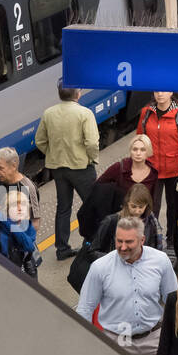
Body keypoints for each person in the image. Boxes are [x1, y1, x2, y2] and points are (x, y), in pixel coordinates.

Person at [76, 216, 178, 355]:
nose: (123, 247)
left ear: (142, 240)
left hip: (154, 344)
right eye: (119, 241)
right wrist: (87, 344)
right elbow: (85, 309)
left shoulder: (160, 261)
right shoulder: (100, 268)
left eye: (129, 242)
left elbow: (174, 301)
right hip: (117, 344)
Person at [36, 83, 101, 261]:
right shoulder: (84, 114)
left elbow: (40, 141)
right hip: (81, 167)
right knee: (92, 205)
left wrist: (52, 154)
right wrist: (92, 158)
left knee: (63, 208)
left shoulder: (48, 113)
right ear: (78, 94)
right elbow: (92, 143)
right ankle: (93, 243)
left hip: (58, 169)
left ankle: (62, 248)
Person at [136, 91, 178, 255]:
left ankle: (171, 240)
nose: (160, 94)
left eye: (164, 91)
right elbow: (140, 138)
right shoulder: (146, 112)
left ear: (171, 92)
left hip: (174, 169)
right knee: (151, 207)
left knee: (174, 207)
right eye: (157, 91)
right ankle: (151, 240)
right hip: (153, 168)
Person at [0, 147, 41, 236]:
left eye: (0, 168)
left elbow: (35, 223)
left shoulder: (28, 188)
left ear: (13, 166)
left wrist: (21, 240)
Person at [93, 184, 162, 252]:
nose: (137, 211)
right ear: (127, 202)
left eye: (141, 207)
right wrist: (114, 259)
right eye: (133, 206)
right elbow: (93, 251)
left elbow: (155, 251)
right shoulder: (111, 221)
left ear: (146, 205)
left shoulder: (151, 222)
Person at [96, 135, 159, 201]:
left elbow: (153, 201)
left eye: (142, 150)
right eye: (135, 149)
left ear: (148, 151)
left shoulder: (153, 173)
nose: (138, 153)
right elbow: (98, 185)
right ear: (130, 151)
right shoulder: (118, 168)